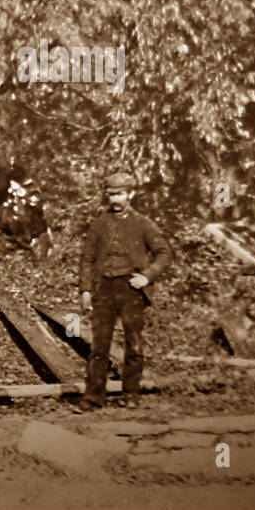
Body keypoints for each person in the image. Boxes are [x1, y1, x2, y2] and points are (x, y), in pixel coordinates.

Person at [76, 171, 172, 412]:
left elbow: (164, 253)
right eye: (111, 194)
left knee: (134, 344)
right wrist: (85, 289)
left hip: (131, 289)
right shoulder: (99, 223)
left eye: (120, 194)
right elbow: (86, 258)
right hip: (104, 289)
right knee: (99, 347)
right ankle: (93, 398)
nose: (114, 199)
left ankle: (131, 394)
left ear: (131, 194)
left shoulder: (142, 223)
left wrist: (147, 276)